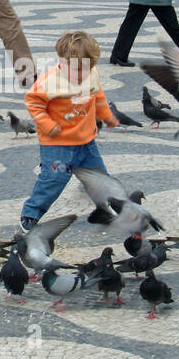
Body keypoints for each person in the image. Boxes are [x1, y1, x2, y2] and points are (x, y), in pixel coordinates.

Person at [18, 30, 119, 231]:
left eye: (88, 69)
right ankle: (31, 213)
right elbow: (33, 103)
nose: (83, 74)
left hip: (86, 142)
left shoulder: (90, 75)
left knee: (100, 179)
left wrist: (106, 115)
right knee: (53, 179)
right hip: (58, 145)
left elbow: (98, 95)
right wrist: (47, 124)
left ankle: (104, 210)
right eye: (78, 69)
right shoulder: (49, 82)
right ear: (62, 61)